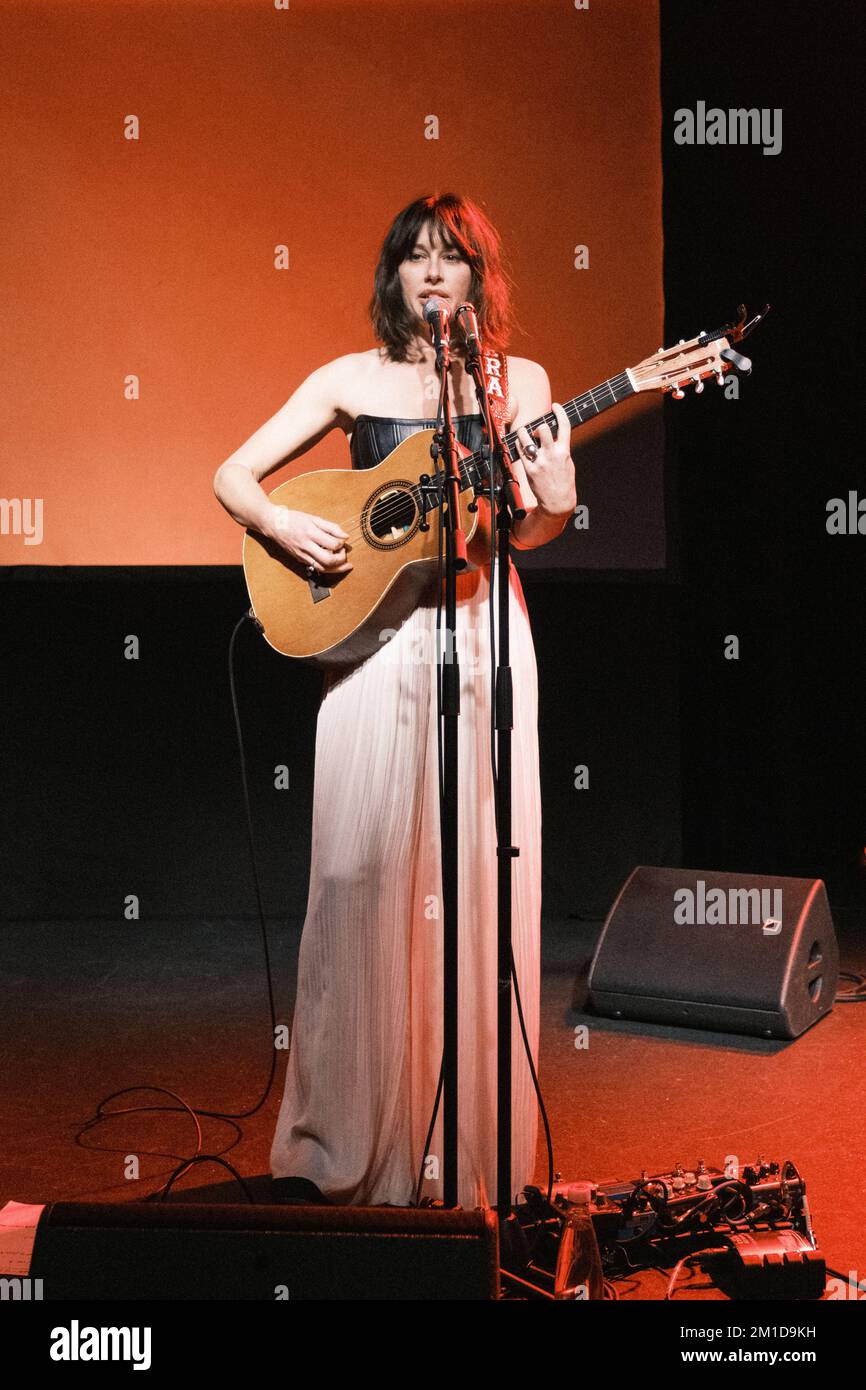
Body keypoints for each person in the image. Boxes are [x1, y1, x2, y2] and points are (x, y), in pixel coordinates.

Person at [213, 193, 575, 1210]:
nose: (430, 273)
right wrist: (288, 528)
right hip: (373, 642)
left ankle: (469, 1154)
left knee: (474, 876)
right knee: (359, 869)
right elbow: (232, 474)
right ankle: (345, 1140)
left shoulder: (519, 382)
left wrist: (550, 499)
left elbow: (533, 529)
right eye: (413, 256)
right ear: (391, 275)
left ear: (475, 278)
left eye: (450, 258)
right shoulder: (346, 377)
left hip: (481, 627)